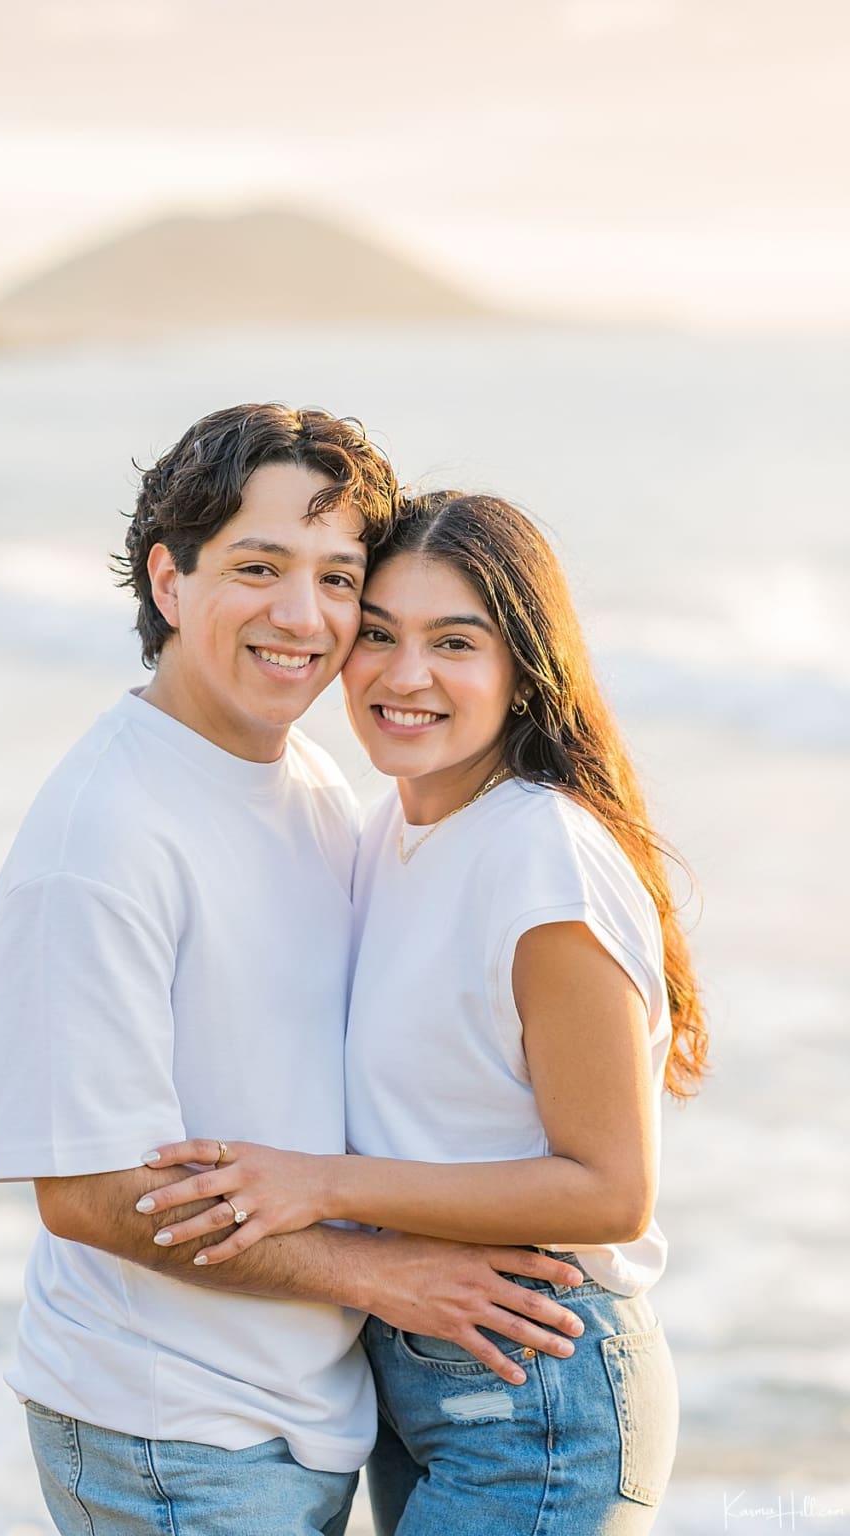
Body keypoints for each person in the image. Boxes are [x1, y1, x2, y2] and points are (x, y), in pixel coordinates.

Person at [0, 421, 587, 1536]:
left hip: (312, 1408)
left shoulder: (310, 778)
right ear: (170, 580)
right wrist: (381, 1276)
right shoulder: (99, 843)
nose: (304, 617)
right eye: (259, 568)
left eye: (338, 578)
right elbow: (86, 1192)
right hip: (171, 1429)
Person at [138, 490, 709, 1533]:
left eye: (454, 642)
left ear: (524, 667)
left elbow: (613, 1189)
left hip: (536, 1388)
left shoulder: (542, 857)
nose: (405, 676)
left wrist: (316, 1184)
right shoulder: (382, 834)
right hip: (417, 1372)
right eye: (379, 634)